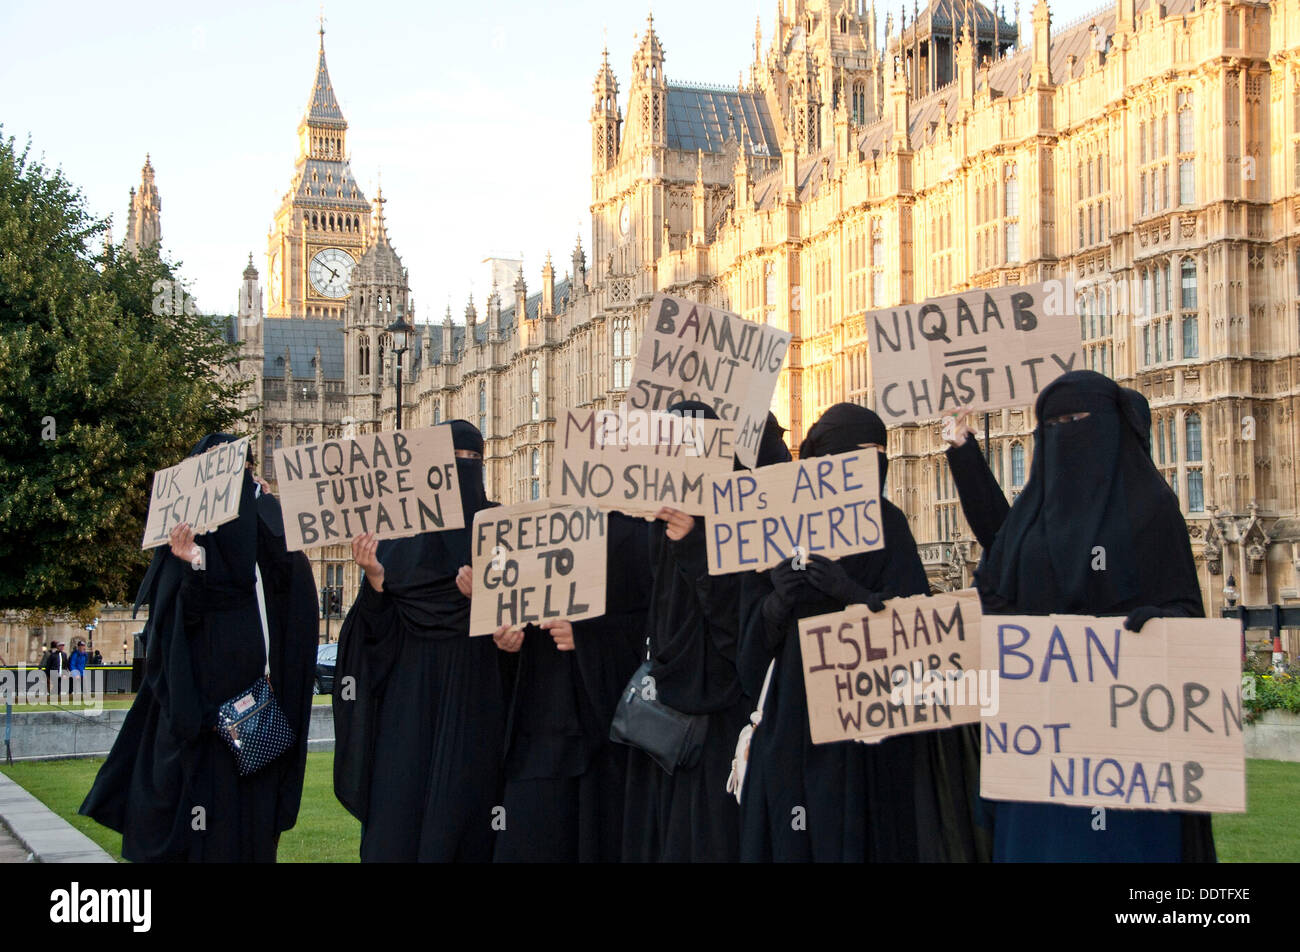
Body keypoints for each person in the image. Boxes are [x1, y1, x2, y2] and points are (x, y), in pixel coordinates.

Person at [943, 371, 1215, 861]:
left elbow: (1188, 611)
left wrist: (1159, 622)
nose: (1065, 432)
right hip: (1041, 742)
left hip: (1127, 744)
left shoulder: (1151, 508)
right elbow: (1000, 556)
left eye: (1077, 420)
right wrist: (963, 451)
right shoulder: (1034, 514)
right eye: (1054, 423)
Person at [738, 403, 986, 862]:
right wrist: (777, 603)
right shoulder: (776, 528)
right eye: (861, 454)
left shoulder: (890, 525)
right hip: (796, 728)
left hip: (873, 741)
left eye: (880, 453)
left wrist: (852, 593)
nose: (875, 465)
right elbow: (747, 652)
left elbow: (919, 635)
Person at [80, 433, 319, 862]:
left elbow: (294, 595)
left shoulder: (266, 554)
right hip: (194, 729)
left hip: (250, 723)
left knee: (245, 836)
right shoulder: (180, 560)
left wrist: (266, 505)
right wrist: (193, 565)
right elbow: (169, 638)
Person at [333, 420, 507, 862]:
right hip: (408, 705)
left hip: (474, 700)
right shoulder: (394, 543)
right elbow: (374, 638)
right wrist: (374, 580)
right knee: (402, 815)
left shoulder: (504, 533)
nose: (467, 471)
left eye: (475, 462)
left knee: (464, 819)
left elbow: (519, 639)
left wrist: (487, 603)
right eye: (457, 462)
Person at [620, 401, 751, 863]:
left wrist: (696, 545)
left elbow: (741, 624)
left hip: (718, 720)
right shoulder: (648, 528)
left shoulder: (743, 520)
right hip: (661, 724)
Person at [485, 512, 653, 862]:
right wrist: (509, 641)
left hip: (603, 739)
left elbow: (652, 627)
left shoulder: (640, 534)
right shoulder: (532, 531)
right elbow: (519, 618)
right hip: (541, 727)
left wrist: (587, 637)